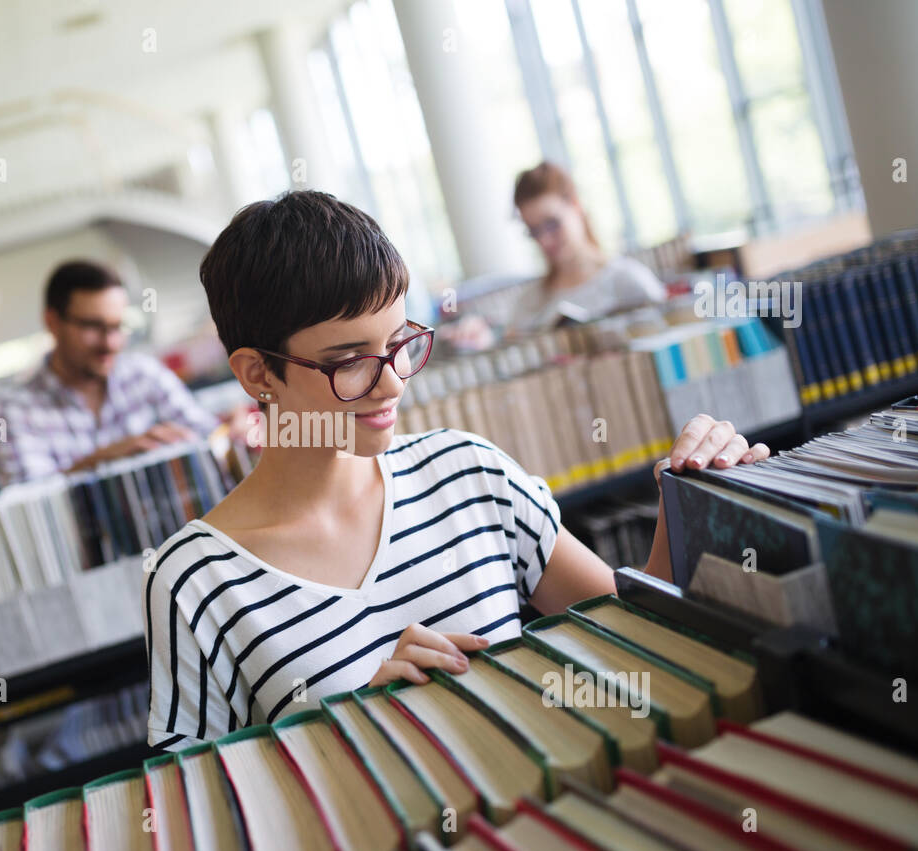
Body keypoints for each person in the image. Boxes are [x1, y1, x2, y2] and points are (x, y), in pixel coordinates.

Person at [143, 190, 768, 752]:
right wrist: (346, 734)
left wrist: (691, 503)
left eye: (399, 343)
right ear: (256, 374)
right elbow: (205, 824)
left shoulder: (467, 473)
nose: (390, 383)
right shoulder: (195, 583)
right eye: (348, 362)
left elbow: (633, 650)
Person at [0, 260, 221, 486]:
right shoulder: (14, 411)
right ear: (52, 322)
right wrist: (101, 461)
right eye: (92, 326)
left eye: (117, 326)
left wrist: (227, 427)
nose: (110, 343)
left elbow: (207, 433)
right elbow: (28, 500)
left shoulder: (144, 374)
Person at [439, 161, 667, 351]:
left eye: (552, 224)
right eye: (534, 231)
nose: (545, 241)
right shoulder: (530, 301)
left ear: (575, 205)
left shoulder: (628, 280)